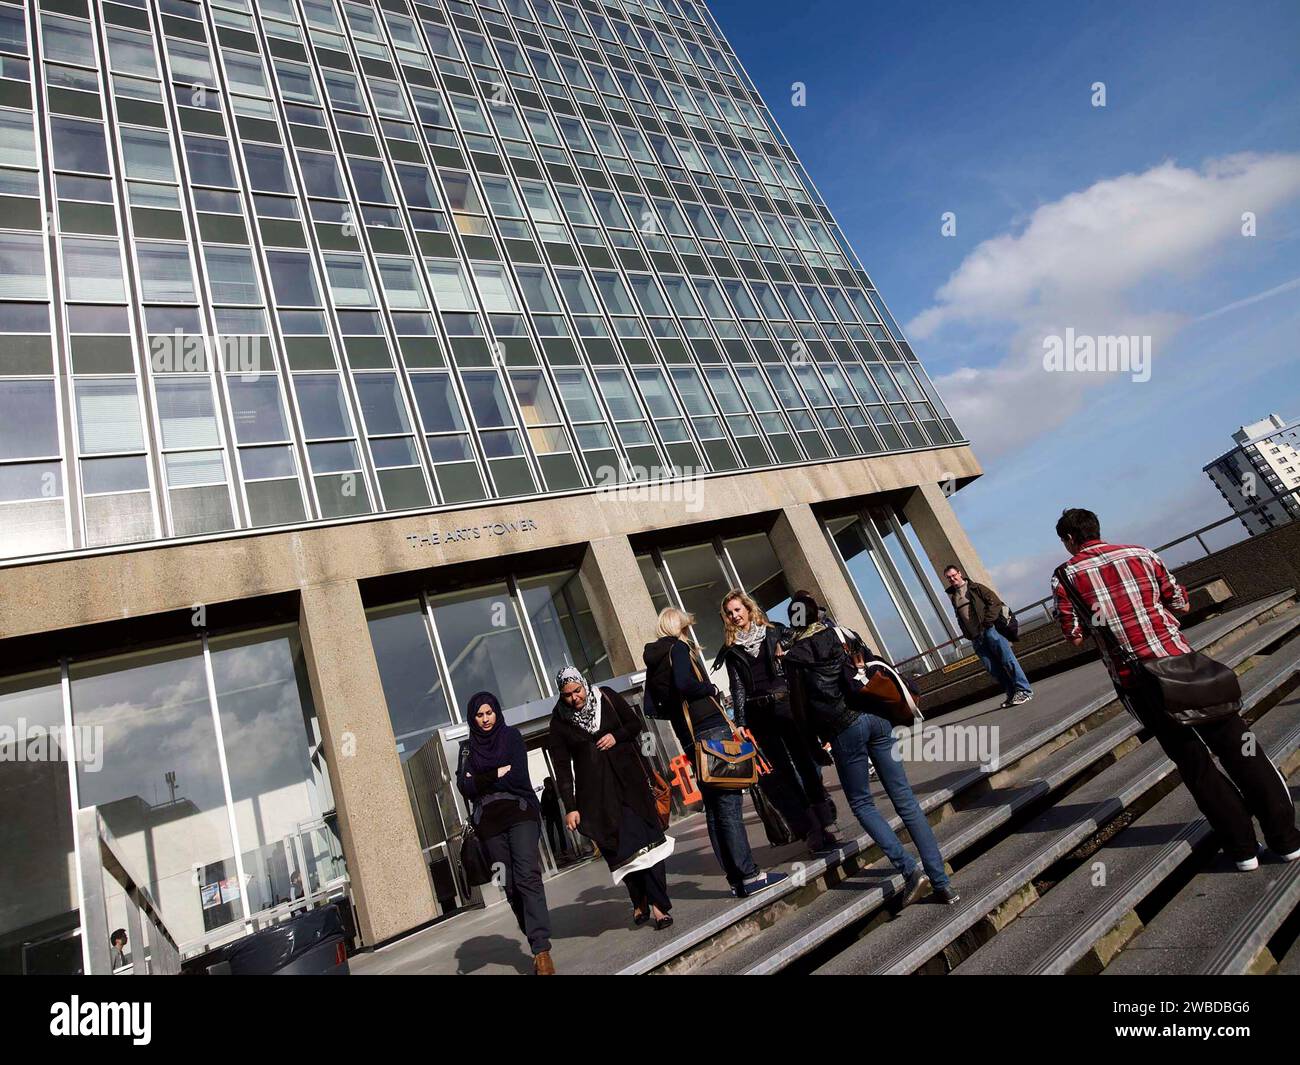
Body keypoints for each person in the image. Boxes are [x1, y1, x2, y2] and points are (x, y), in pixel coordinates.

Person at [1051, 507, 1300, 871]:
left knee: (1195, 765)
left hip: (1140, 683)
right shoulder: (1141, 554)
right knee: (1241, 750)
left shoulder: (1066, 577)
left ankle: (1243, 850)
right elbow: (1180, 601)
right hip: (1186, 669)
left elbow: (1073, 637)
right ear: (1096, 529)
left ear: (1070, 539)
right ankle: (1287, 840)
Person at [781, 590, 959, 904]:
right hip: (878, 719)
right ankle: (941, 881)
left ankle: (909, 870)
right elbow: (872, 667)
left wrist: (814, 746)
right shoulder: (843, 635)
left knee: (863, 804)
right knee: (905, 799)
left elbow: (799, 709)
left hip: (844, 728)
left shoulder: (795, 656)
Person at [643, 606, 787, 899]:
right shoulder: (678, 650)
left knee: (715, 811)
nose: (688, 633)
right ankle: (749, 875)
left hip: (690, 739)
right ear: (678, 629)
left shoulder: (655, 662)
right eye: (685, 628)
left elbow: (650, 707)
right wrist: (707, 688)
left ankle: (735, 878)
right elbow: (686, 683)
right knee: (730, 807)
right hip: (711, 732)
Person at [548, 666, 676, 929]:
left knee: (650, 845)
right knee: (623, 851)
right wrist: (570, 807)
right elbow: (561, 767)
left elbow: (634, 724)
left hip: (632, 787)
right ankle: (638, 899)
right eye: (567, 694)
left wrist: (615, 736)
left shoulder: (606, 696)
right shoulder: (559, 721)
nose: (575, 698)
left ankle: (658, 906)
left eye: (577, 690)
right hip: (598, 797)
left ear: (584, 684)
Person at [713, 590, 840, 852]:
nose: (735, 616)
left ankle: (825, 822)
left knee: (805, 763)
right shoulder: (731, 650)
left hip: (786, 705)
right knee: (783, 772)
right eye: (730, 613)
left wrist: (789, 651)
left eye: (738, 610)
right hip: (758, 714)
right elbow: (737, 686)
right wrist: (739, 720)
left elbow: (801, 648)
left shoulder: (775, 632)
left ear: (748, 609)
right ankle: (810, 830)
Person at [455, 691, 556, 975]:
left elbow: (518, 777)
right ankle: (535, 939)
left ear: (497, 712)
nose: (486, 719)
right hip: (488, 826)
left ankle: (541, 949)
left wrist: (482, 780)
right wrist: (495, 774)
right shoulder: (467, 749)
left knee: (527, 876)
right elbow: (465, 787)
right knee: (509, 885)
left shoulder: (511, 737)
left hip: (520, 813)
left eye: (489, 713)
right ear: (472, 719)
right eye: (480, 715)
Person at [943, 565, 1033, 708]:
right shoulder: (954, 596)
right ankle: (1011, 694)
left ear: (960, 573)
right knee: (993, 669)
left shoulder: (976, 588)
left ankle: (1024, 691)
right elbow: (960, 616)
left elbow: (995, 603)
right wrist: (967, 633)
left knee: (1008, 661)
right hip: (976, 638)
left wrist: (987, 623)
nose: (952, 579)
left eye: (954, 575)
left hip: (990, 631)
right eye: (949, 577)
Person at [540, 777, 568, 861]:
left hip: (555, 814)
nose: (545, 785)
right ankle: (554, 851)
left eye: (546, 784)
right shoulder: (545, 792)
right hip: (550, 815)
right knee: (550, 833)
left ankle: (564, 849)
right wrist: (543, 814)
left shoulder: (555, 791)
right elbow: (543, 804)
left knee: (560, 831)